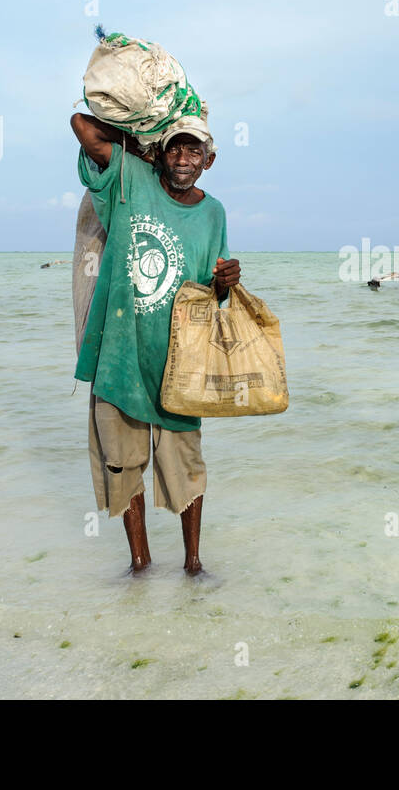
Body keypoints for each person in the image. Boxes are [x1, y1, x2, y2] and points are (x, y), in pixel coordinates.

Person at [70, 108, 240, 576]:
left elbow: (211, 292)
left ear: (208, 160)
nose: (184, 158)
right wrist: (140, 142)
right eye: (176, 147)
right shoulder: (131, 179)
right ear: (161, 154)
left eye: (194, 150)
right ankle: (139, 567)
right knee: (123, 467)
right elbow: (82, 125)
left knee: (187, 467)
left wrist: (227, 282)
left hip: (178, 365)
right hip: (119, 356)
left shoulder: (213, 213)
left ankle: (193, 566)